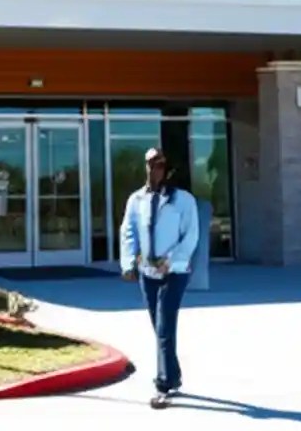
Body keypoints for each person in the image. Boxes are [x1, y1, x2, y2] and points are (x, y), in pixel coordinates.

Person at [120, 147, 200, 409]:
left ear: (168, 168)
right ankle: (174, 375)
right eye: (150, 163)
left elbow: (191, 236)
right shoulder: (136, 200)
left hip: (174, 272)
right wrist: (129, 262)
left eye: (159, 164)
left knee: (165, 326)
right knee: (160, 327)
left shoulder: (184, 201)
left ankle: (163, 384)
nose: (154, 169)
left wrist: (172, 260)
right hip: (148, 273)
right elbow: (129, 231)